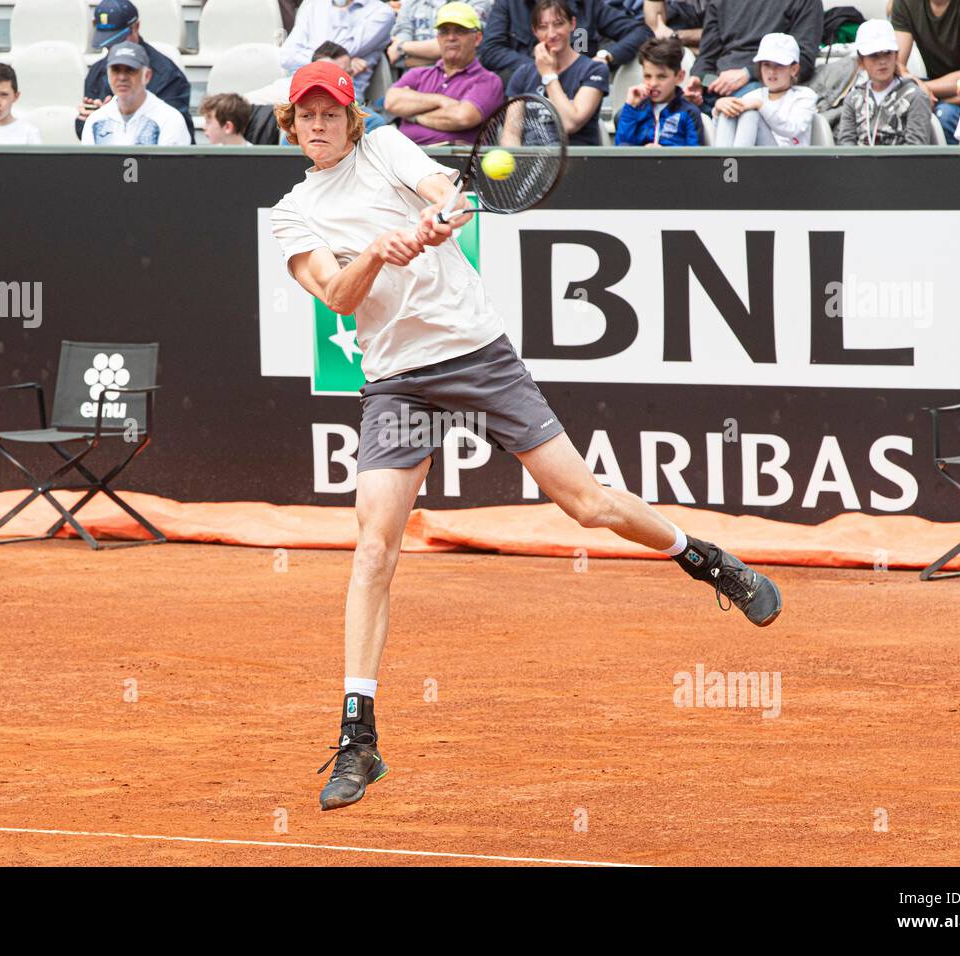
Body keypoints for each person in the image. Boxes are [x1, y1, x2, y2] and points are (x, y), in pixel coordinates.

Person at [268, 58, 783, 812]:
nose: (318, 124)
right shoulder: (294, 211)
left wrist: (447, 209)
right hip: (398, 381)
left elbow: (445, 188)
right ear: (291, 123)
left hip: (475, 356)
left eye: (330, 112)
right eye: (305, 114)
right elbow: (338, 300)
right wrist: (380, 251)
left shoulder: (385, 150)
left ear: (350, 118)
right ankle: (359, 738)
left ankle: (706, 561)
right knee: (375, 542)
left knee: (587, 505)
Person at [385, 1, 504, 146]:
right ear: (438, 38)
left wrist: (412, 114)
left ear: (477, 38)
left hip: (454, 161)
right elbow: (391, 101)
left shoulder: (488, 80)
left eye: (460, 31)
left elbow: (462, 117)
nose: (451, 37)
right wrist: (440, 100)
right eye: (444, 31)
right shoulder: (418, 74)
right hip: (404, 158)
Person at [77, 0, 192, 143]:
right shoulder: (96, 71)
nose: (122, 77)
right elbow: (87, 135)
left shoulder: (168, 74)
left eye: (118, 39)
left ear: (136, 27)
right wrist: (92, 117)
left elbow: (177, 132)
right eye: (107, 43)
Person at [889, 0, 960, 144]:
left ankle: (955, 166)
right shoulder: (905, 3)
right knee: (892, 101)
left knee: (943, 114)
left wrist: (919, 90)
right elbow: (894, 64)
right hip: (937, 86)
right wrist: (916, 86)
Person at [684, 0, 822, 115]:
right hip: (716, 85)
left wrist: (748, 73)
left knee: (740, 109)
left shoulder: (806, 2)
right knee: (676, 112)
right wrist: (698, 78)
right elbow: (707, 55)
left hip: (761, 85)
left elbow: (803, 61)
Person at [503, 0, 609, 146]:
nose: (551, 34)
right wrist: (518, 165)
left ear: (572, 24)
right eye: (543, 27)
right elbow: (511, 133)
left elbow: (570, 124)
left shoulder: (594, 69)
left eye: (558, 24)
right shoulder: (523, 74)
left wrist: (549, 76)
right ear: (535, 31)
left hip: (579, 162)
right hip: (531, 163)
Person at [481, 0, 649, 85]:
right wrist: (539, 68)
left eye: (559, 24)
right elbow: (490, 50)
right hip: (527, 85)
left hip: (580, 86)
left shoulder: (586, 4)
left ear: (572, 23)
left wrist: (606, 56)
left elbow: (641, 32)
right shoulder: (510, 3)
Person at [835, 19, 934, 145]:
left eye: (888, 53)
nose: (882, 61)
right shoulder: (853, 99)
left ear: (896, 56)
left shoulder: (916, 97)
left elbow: (916, 149)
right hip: (858, 164)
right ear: (861, 62)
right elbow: (846, 146)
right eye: (874, 55)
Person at [713, 31, 817, 146]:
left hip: (788, 161)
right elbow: (722, 133)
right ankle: (725, 163)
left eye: (779, 65)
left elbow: (792, 129)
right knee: (727, 112)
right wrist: (718, 110)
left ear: (794, 69)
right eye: (766, 64)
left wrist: (761, 106)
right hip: (755, 160)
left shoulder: (805, 96)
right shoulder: (752, 95)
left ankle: (737, 162)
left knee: (751, 114)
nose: (772, 72)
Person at [278, 0, 396, 101]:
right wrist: (334, 62)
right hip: (296, 83)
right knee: (262, 104)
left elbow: (335, 51)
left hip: (341, 90)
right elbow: (286, 56)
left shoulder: (381, 12)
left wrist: (311, 55)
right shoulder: (314, 3)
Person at [80, 41, 190, 146]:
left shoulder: (170, 120)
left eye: (130, 70)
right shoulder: (95, 120)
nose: (122, 77)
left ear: (147, 76)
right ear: (108, 75)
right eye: (116, 70)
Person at [614, 36, 703, 145]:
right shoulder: (634, 110)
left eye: (661, 77)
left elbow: (695, 157)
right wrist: (630, 107)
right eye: (647, 76)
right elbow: (621, 150)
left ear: (680, 76)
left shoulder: (689, 112)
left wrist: (664, 155)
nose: (653, 83)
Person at [386, 0, 494, 71]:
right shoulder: (411, 3)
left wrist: (402, 47)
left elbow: (458, 48)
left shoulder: (477, 2)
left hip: (460, 81)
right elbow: (396, 57)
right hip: (414, 83)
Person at [642, 0, 708, 48]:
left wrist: (676, 36)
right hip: (683, 14)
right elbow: (656, 28)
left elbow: (715, 32)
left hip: (710, 23)